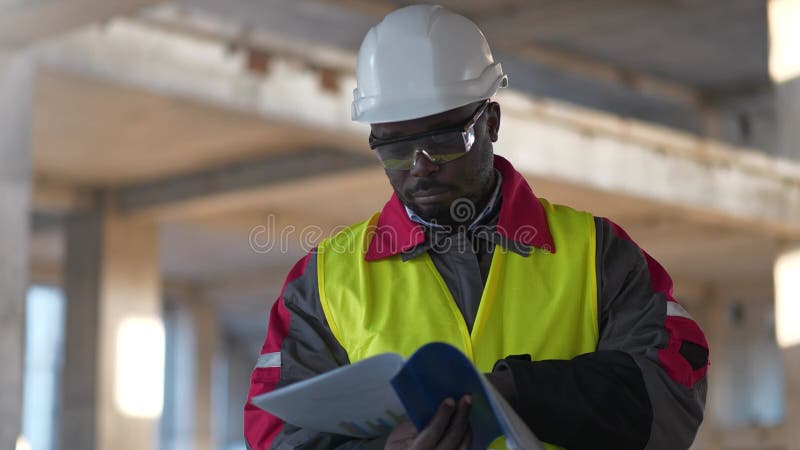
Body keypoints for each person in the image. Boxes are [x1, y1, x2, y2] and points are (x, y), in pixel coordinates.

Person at [244, 4, 708, 450]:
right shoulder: (323, 282)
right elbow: (273, 433)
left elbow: (671, 390)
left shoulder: (598, 254)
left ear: (491, 122)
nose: (420, 167)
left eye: (443, 140)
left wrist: (512, 390)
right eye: (395, 150)